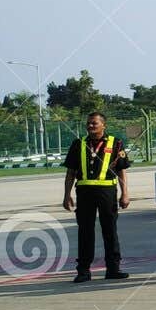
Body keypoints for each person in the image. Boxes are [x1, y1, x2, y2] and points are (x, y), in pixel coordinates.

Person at [61, 111, 130, 282]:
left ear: (103, 125)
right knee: (85, 232)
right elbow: (70, 172)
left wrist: (125, 194)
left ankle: (113, 268)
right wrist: (66, 194)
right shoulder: (78, 144)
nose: (90, 126)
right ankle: (83, 271)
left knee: (110, 231)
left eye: (94, 123)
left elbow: (121, 170)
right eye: (89, 123)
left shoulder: (116, 143)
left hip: (107, 192)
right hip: (84, 193)